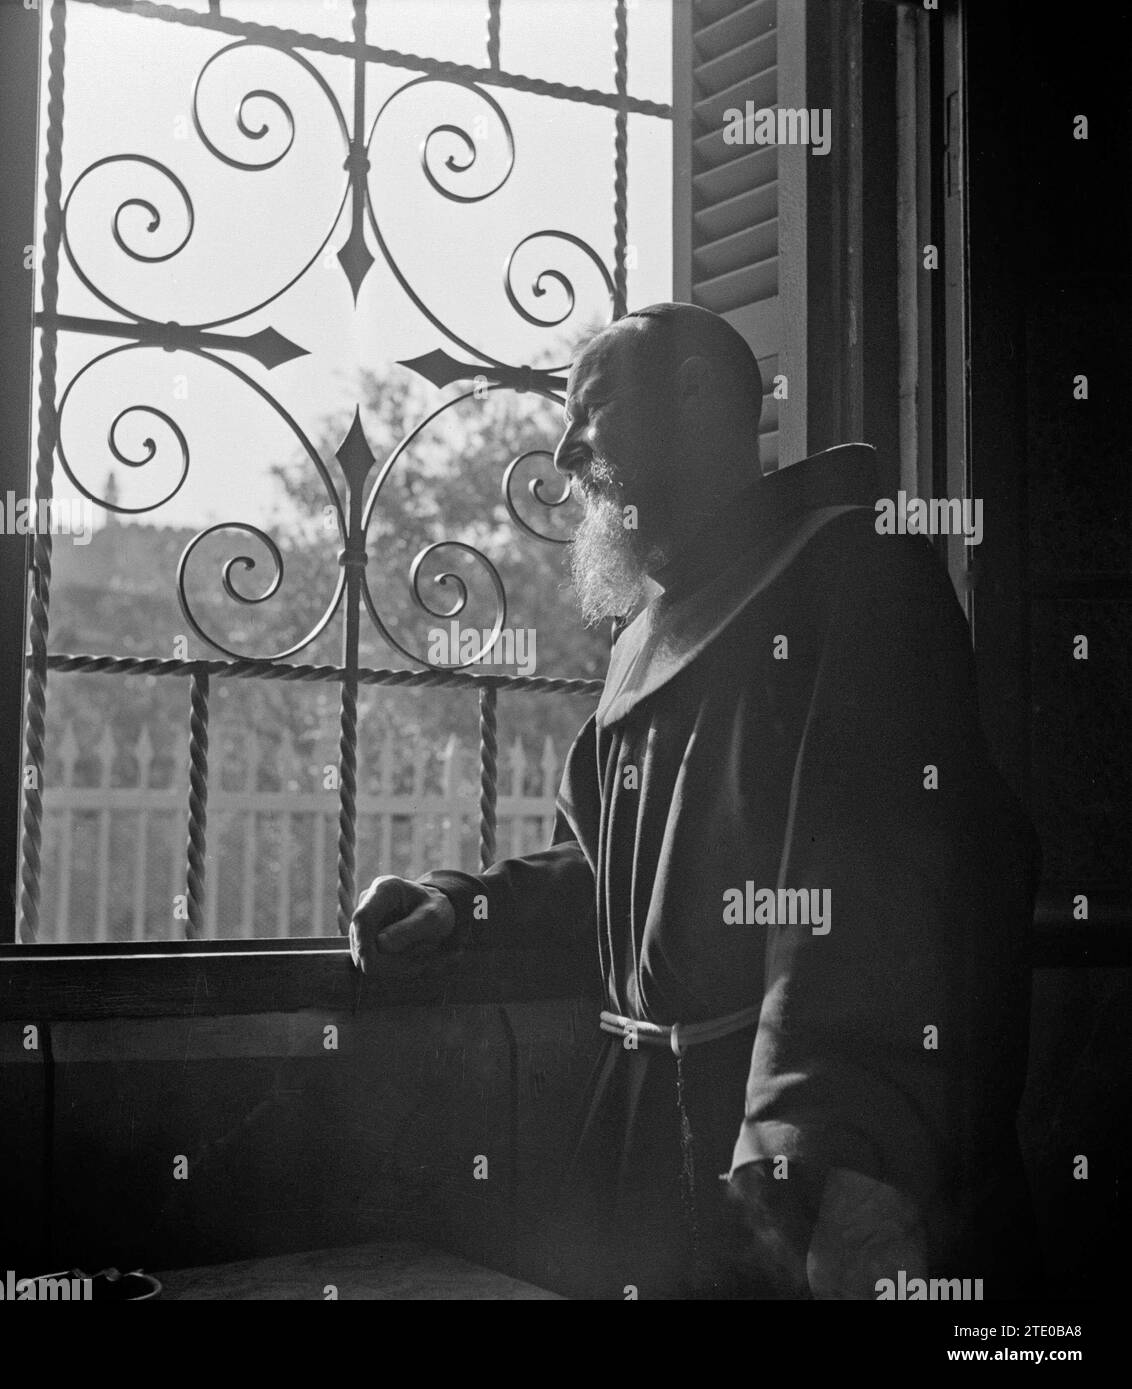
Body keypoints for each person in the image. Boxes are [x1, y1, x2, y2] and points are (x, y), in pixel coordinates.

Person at [349, 302, 1040, 1300]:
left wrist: (833, 1157)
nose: (564, 448)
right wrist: (459, 904)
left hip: (785, 1150)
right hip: (639, 1133)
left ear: (697, 400)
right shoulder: (642, 636)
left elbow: (887, 894)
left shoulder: (855, 576)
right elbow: (611, 877)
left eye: (592, 409)